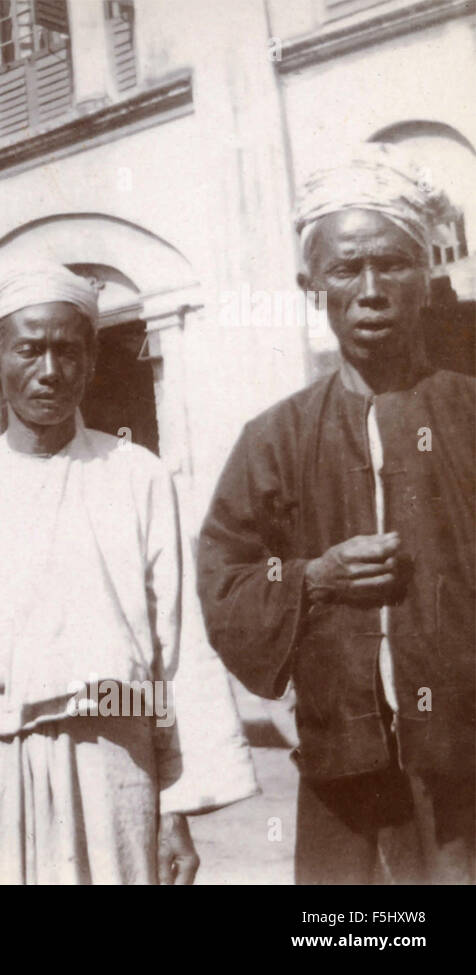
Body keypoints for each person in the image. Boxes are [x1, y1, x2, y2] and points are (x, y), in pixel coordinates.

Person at [0, 265, 257, 885]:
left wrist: (175, 806)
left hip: (118, 762)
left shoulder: (138, 475)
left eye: (68, 351)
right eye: (29, 350)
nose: (50, 370)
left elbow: (177, 645)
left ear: (91, 363)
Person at [197, 143, 475, 884]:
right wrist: (313, 577)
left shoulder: (469, 410)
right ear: (312, 284)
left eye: (394, 264)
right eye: (347, 269)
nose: (371, 291)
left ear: (427, 275)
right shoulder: (275, 438)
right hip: (343, 777)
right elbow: (225, 580)